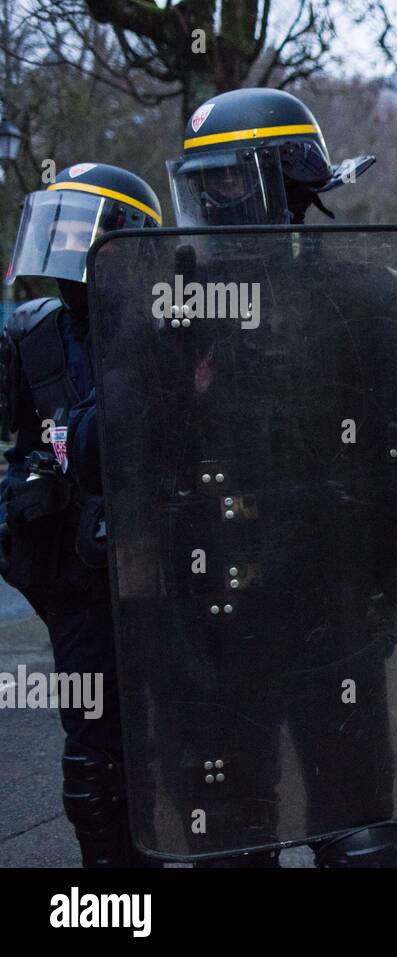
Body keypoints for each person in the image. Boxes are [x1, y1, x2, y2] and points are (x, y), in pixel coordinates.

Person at [80, 88, 397, 868]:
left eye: (224, 181)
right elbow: (111, 450)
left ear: (281, 178)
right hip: (211, 630)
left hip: (336, 615)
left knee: (357, 826)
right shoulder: (174, 309)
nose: (210, 201)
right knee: (230, 831)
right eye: (201, 185)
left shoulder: (374, 302)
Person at [0, 162, 164, 867]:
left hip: (172, 576)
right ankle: (116, 891)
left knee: (206, 744)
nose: (64, 245)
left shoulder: (175, 324)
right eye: (56, 226)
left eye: (81, 228)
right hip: (79, 584)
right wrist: (25, 488)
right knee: (91, 752)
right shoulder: (31, 335)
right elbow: (17, 445)